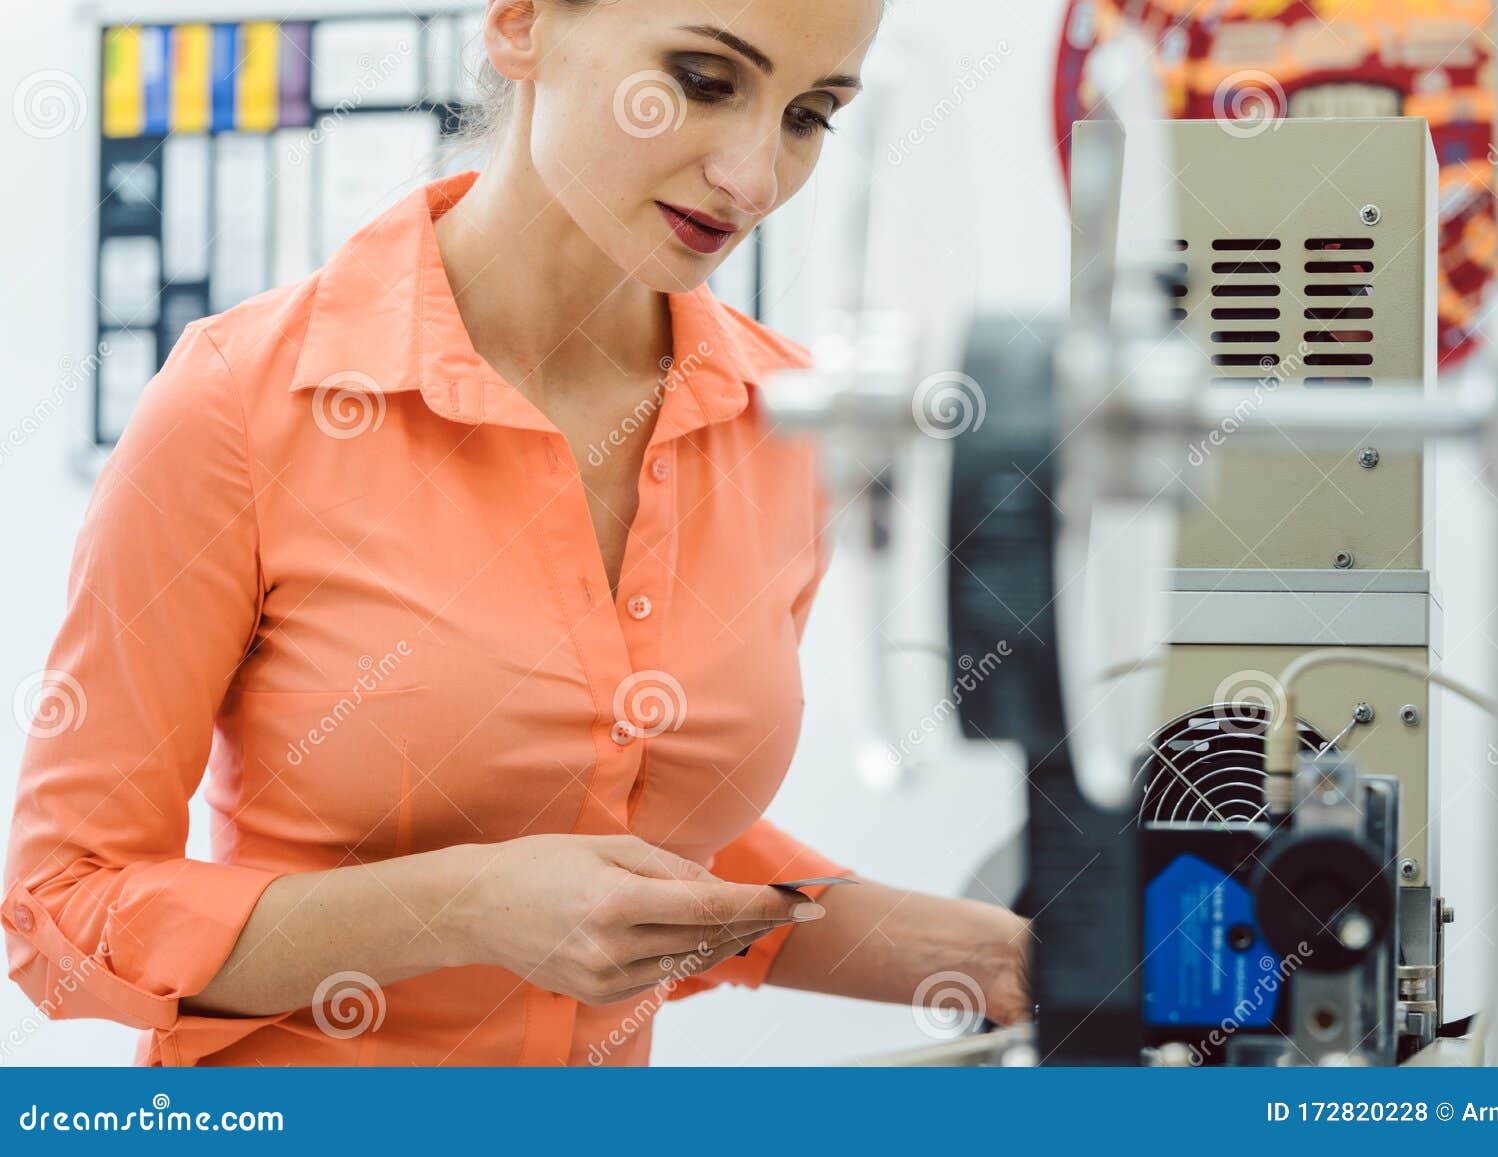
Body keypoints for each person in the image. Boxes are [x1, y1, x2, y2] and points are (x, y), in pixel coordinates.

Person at [3, 0, 1029, 1066]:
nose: (754, 178)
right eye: (702, 80)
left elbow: (651, 852)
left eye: (809, 115)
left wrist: (998, 957)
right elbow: (62, 909)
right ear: (521, 23)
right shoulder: (240, 405)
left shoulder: (784, 423)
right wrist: (466, 908)